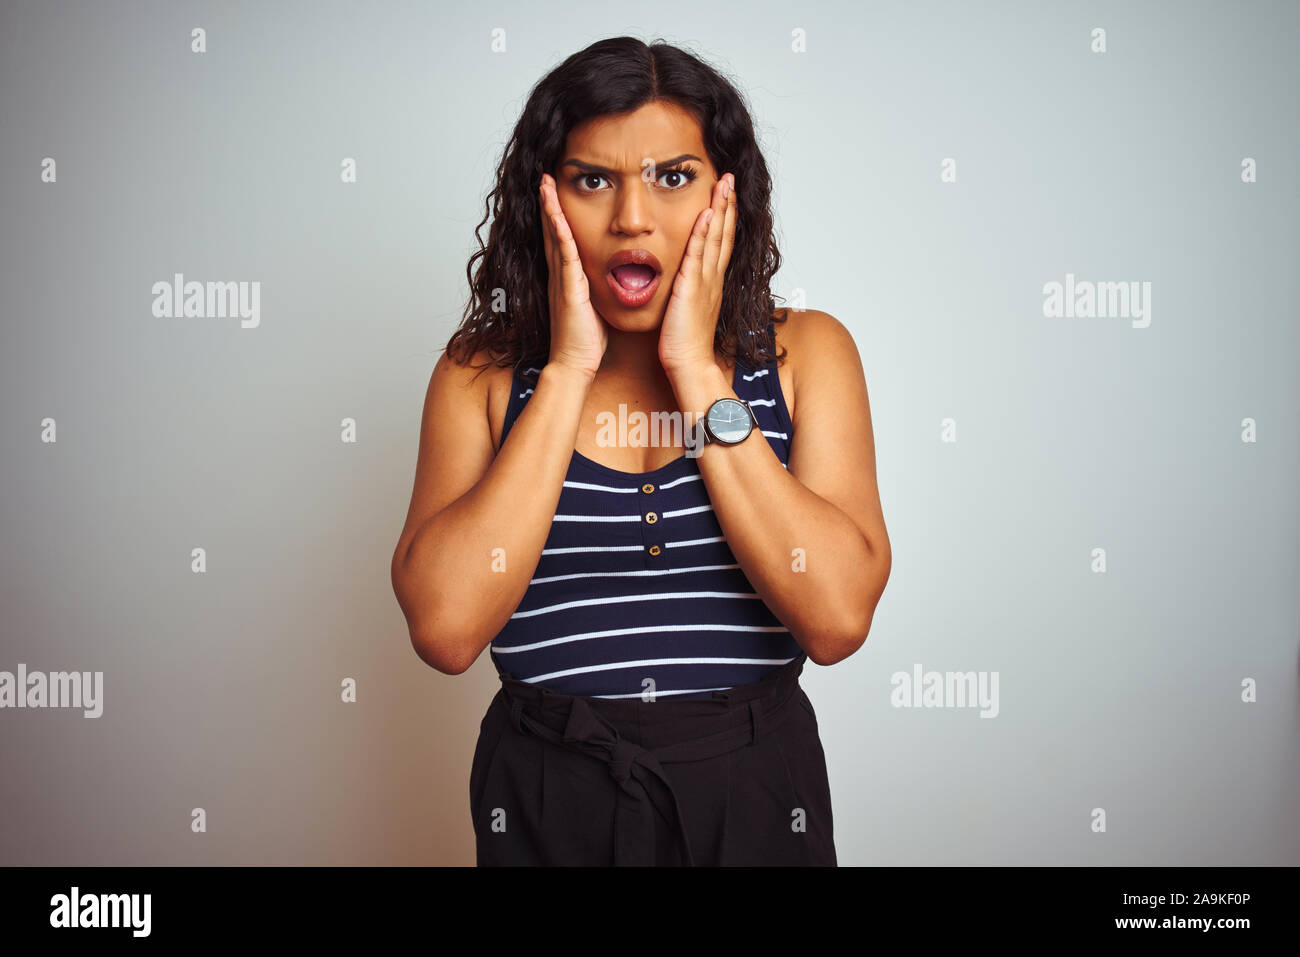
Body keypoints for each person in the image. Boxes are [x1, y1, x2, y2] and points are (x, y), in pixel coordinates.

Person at [391, 36, 891, 866]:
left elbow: (836, 618)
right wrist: (567, 369)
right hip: (548, 799)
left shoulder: (807, 355)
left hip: (754, 796)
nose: (632, 218)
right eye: (594, 180)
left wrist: (696, 371)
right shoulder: (478, 376)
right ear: (544, 196)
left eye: (672, 176)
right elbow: (445, 631)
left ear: (725, 193)